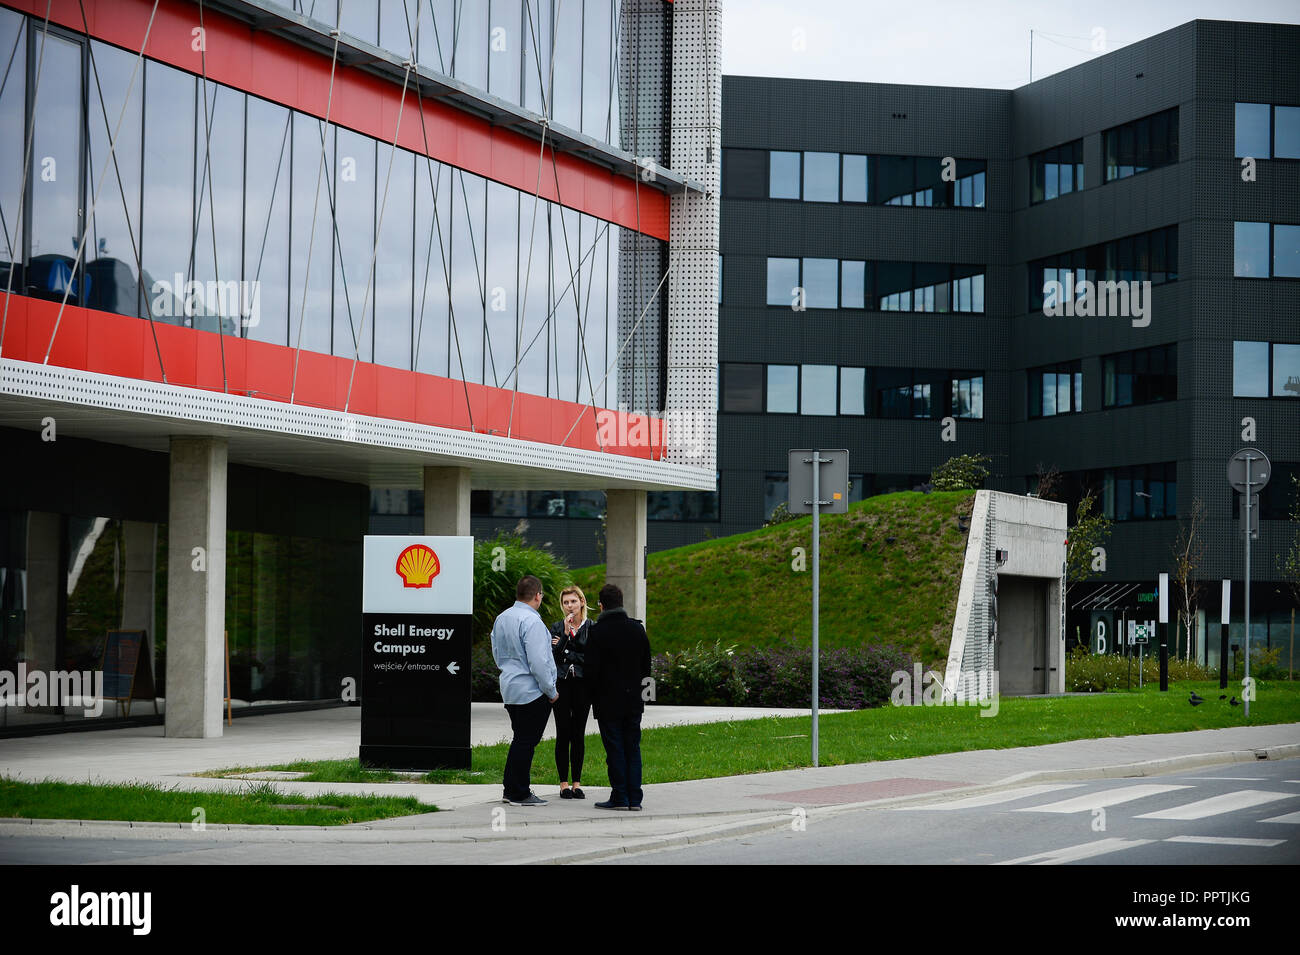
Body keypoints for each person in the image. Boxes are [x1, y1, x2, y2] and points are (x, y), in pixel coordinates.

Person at [490, 575, 558, 806]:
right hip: (532, 691)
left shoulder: (502, 618)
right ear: (538, 595)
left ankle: (512, 789)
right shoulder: (532, 622)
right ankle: (519, 791)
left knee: (520, 739)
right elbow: (538, 662)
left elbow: (497, 652)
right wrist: (551, 690)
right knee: (526, 742)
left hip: (510, 687)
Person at [584, 583, 651, 811]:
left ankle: (620, 796)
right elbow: (646, 668)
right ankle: (635, 798)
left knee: (615, 749)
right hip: (633, 701)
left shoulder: (596, 633)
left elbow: (591, 672)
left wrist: (591, 698)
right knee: (633, 747)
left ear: (601, 605)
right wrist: (643, 697)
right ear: (621, 603)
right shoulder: (637, 629)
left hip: (607, 702)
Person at [549, 585, 593, 799]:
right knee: (562, 732)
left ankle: (577, 782)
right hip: (562, 685)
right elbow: (553, 657)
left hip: (583, 686)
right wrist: (566, 636)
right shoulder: (557, 627)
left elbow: (592, 659)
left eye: (573, 601)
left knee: (578, 734)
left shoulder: (592, 627)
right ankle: (563, 784)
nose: (569, 606)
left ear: (582, 602)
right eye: (566, 602)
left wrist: (567, 651)